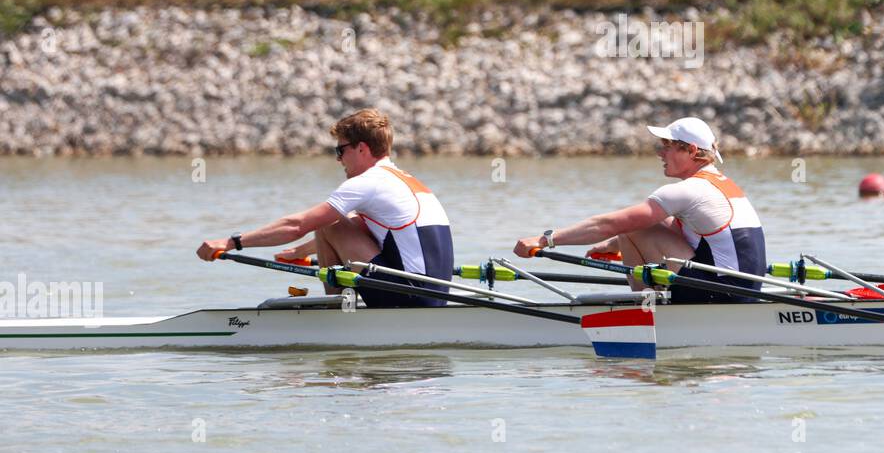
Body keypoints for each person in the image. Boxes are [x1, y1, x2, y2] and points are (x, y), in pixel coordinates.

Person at [196, 108, 454, 308]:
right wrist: (301, 251)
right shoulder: (403, 181)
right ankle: (344, 306)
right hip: (430, 295)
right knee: (337, 219)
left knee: (328, 220)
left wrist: (231, 242)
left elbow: (298, 225)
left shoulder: (367, 183)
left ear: (361, 148)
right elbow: (363, 230)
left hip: (410, 299)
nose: (338, 159)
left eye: (340, 150)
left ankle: (337, 313)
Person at [512, 117, 766, 302]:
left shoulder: (687, 191)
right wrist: (612, 246)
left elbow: (610, 224)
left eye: (667, 146)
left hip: (721, 295)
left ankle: (644, 309)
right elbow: (682, 230)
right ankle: (654, 302)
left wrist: (546, 239)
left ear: (690, 150)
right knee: (631, 231)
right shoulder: (721, 184)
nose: (660, 152)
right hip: (745, 290)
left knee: (630, 230)